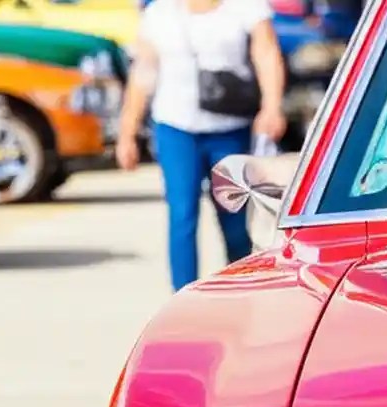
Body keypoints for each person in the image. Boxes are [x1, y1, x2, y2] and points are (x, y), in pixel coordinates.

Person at [117, 0, 287, 291]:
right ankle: (183, 295)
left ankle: (243, 289)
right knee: (182, 214)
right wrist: (127, 132)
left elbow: (266, 52)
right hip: (175, 127)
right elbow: (143, 72)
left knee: (234, 217)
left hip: (230, 127)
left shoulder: (245, 7)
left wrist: (272, 106)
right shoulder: (160, 13)